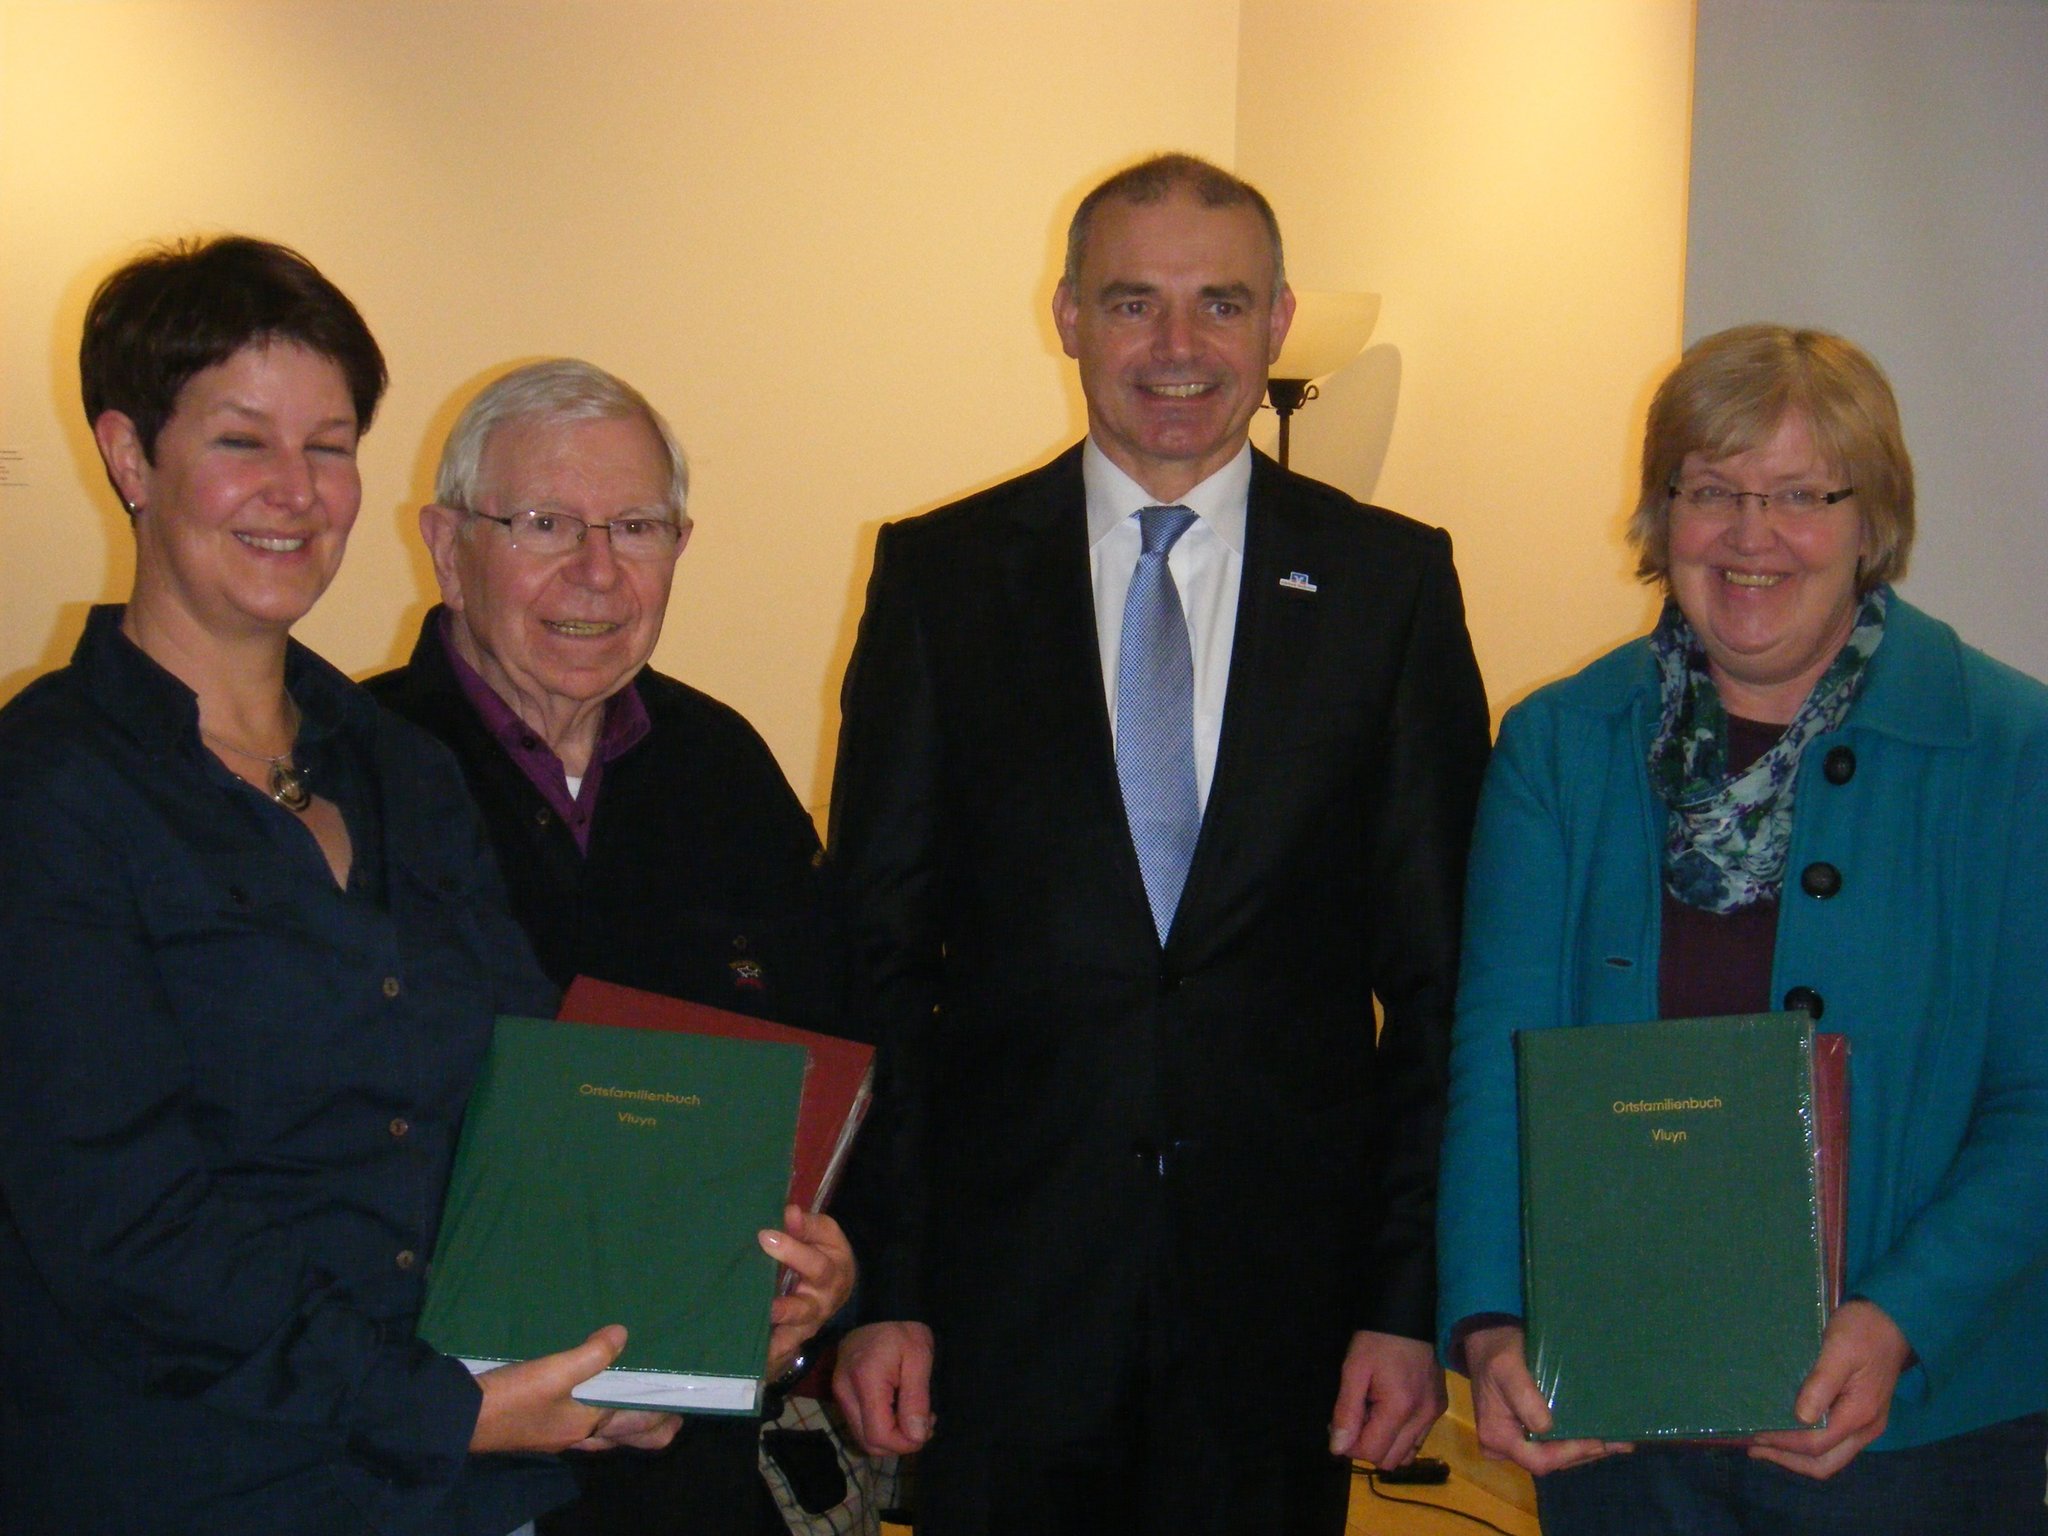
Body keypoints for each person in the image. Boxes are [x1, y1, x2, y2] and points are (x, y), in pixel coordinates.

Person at [827, 153, 1492, 1536]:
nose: (1177, 347)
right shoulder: (940, 577)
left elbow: (1442, 986)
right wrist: (887, 1286)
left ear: (1278, 321)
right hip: (1001, 1309)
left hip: (1284, 1319)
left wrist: (1402, 1300)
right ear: (1067, 315)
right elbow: (876, 963)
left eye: (1220, 304)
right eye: (1133, 302)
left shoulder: (1388, 586)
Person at [0, 237, 679, 1535]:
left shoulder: (404, 771)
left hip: (448, 1491)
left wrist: (682, 1305)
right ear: (130, 456)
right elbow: (124, 1226)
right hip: (191, 1487)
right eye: (241, 441)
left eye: (329, 445)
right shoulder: (47, 797)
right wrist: (440, 1411)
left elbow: (528, 1103)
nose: (297, 492)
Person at [1436, 323, 2048, 1533]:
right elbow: (1495, 1065)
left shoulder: (2010, 752)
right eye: (1710, 490)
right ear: (1661, 515)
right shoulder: (1555, 745)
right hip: (1613, 1414)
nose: (1749, 534)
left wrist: (1899, 1319)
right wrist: (1492, 1321)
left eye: (1800, 495)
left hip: (1920, 1426)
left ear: (1869, 521)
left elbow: (2037, 1096)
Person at [367, 358, 863, 1536]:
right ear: (446, 546)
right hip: (432, 1459)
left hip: (687, 1458)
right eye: (544, 523)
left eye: (635, 526)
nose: (596, 570)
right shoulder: (352, 768)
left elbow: (825, 1057)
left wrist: (825, 1279)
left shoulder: (722, 766)